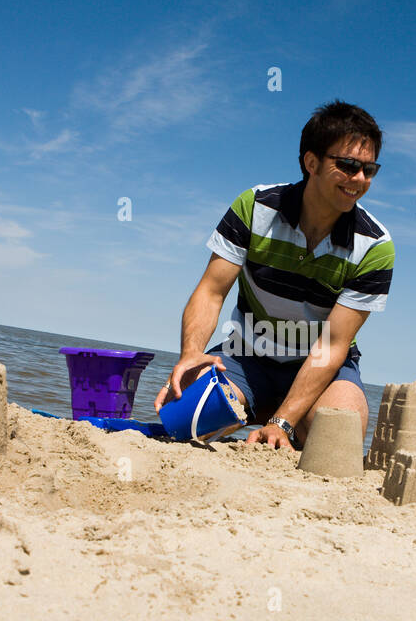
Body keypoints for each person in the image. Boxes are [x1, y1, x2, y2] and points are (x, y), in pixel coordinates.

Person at [154, 101, 394, 448]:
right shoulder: (253, 207)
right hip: (247, 354)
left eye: (369, 170)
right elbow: (211, 291)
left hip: (322, 367)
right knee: (185, 424)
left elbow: (333, 344)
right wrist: (191, 354)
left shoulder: (375, 246)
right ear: (312, 162)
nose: (359, 179)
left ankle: (278, 418)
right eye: (348, 166)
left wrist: (283, 422)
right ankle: (253, 405)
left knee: (336, 443)